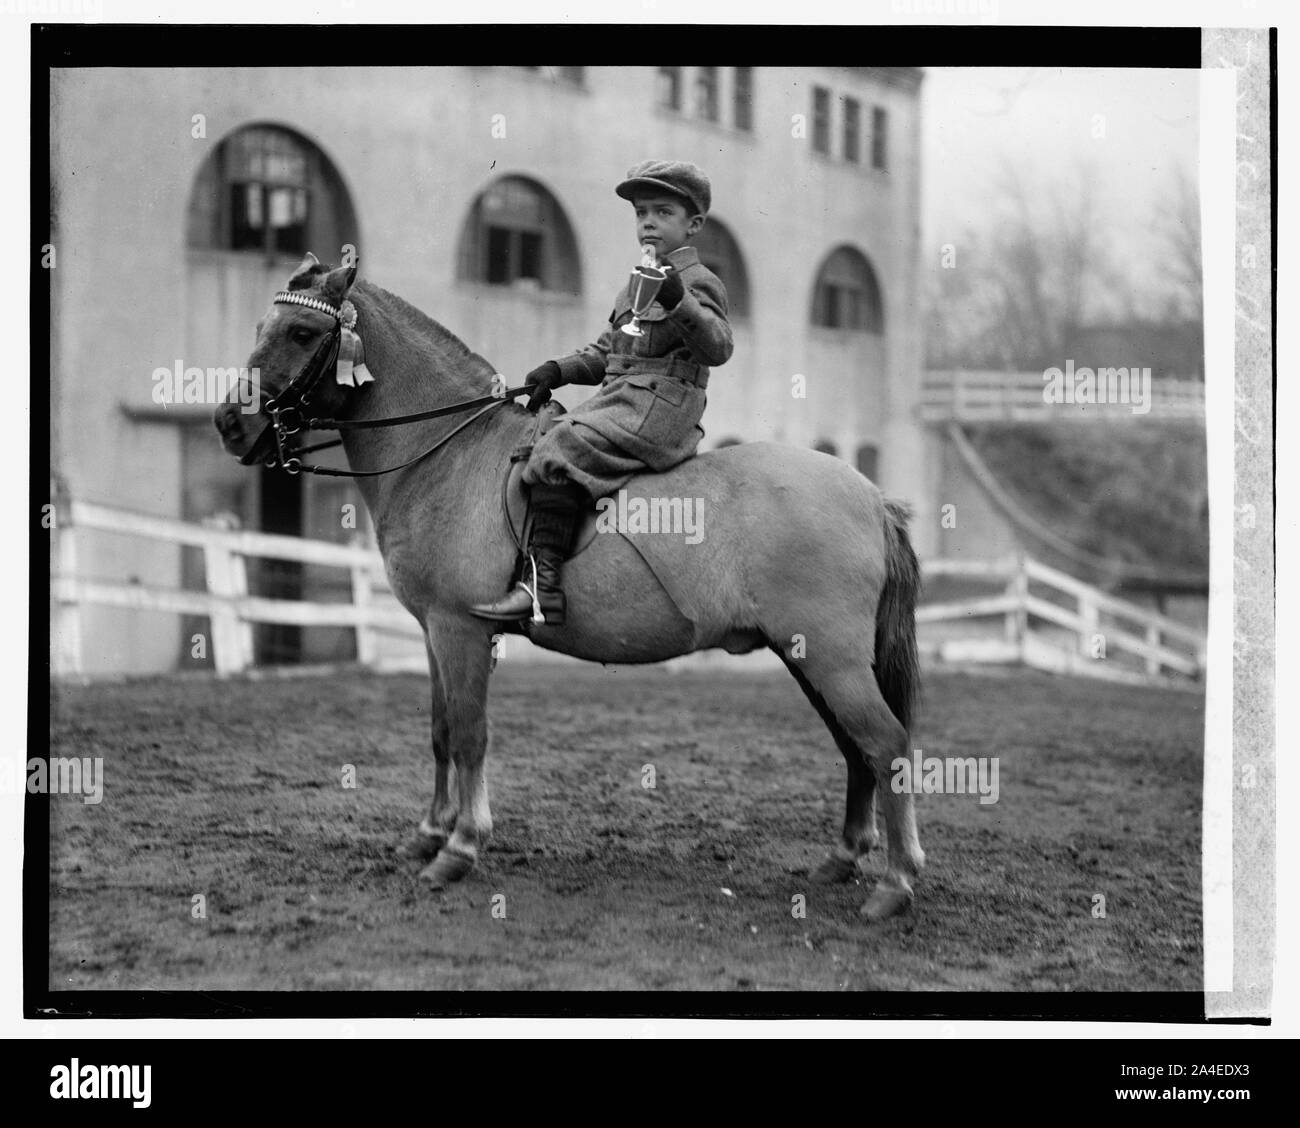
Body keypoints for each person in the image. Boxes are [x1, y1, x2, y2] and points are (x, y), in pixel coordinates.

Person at [471, 160, 733, 626]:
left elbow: (718, 347)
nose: (648, 222)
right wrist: (558, 370)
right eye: (640, 213)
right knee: (538, 431)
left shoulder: (698, 282)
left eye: (662, 212)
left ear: (692, 225)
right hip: (623, 402)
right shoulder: (635, 284)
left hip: (663, 411)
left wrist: (677, 299)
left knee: (561, 446)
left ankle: (541, 588)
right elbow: (609, 353)